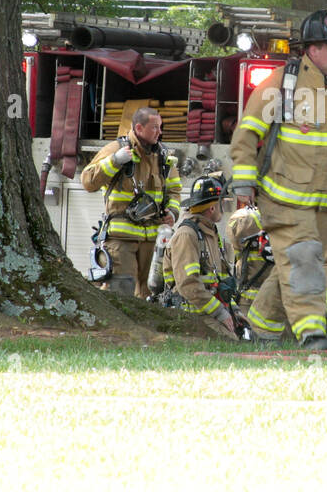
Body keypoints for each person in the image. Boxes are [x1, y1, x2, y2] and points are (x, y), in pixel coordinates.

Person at [229, 8, 327, 350]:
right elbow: (247, 133)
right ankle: (313, 332)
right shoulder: (281, 84)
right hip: (285, 198)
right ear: (311, 48)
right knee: (304, 258)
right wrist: (244, 183)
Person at [80, 106, 182, 297]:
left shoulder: (163, 157)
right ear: (139, 128)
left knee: (151, 295)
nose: (160, 132)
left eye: (160, 127)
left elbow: (175, 190)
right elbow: (87, 181)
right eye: (154, 127)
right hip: (121, 241)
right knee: (121, 294)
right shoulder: (116, 150)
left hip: (153, 240)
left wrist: (172, 212)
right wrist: (115, 161)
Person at [162, 175, 238, 340]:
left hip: (210, 311)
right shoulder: (187, 235)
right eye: (221, 204)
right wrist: (220, 313)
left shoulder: (210, 233)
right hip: (193, 315)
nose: (223, 208)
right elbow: (188, 284)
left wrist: (234, 311)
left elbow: (222, 279)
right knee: (230, 343)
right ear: (212, 208)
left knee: (247, 334)